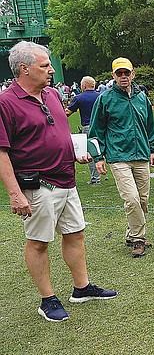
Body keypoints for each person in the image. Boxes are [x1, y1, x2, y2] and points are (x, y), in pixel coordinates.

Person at [0, 41, 116, 322]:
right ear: (24, 69)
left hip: (67, 179)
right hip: (38, 185)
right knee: (39, 242)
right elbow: (2, 151)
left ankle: (81, 288)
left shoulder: (51, 94)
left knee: (75, 233)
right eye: (45, 66)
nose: (52, 70)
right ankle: (47, 299)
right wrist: (15, 193)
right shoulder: (6, 102)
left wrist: (76, 152)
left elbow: (56, 132)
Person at [89, 57, 154, 258]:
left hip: (142, 154)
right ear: (113, 75)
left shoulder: (142, 98)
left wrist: (152, 149)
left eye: (126, 72)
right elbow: (95, 130)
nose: (123, 76)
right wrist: (98, 157)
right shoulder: (105, 99)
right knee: (131, 198)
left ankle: (131, 233)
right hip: (118, 156)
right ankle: (138, 239)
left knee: (143, 200)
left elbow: (150, 126)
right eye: (119, 73)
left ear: (132, 74)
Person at [65, 76, 101, 184]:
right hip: (101, 127)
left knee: (90, 152)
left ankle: (95, 178)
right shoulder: (100, 96)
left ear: (83, 86)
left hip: (88, 127)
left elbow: (68, 112)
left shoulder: (79, 98)